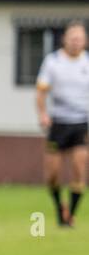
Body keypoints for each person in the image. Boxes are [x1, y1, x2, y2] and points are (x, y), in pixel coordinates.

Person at [36, 20, 89, 228]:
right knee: (52, 175)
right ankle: (60, 207)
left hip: (81, 122)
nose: (76, 42)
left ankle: (70, 217)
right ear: (65, 39)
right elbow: (41, 92)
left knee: (78, 166)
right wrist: (43, 114)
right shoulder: (53, 62)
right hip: (58, 123)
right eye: (73, 38)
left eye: (80, 38)